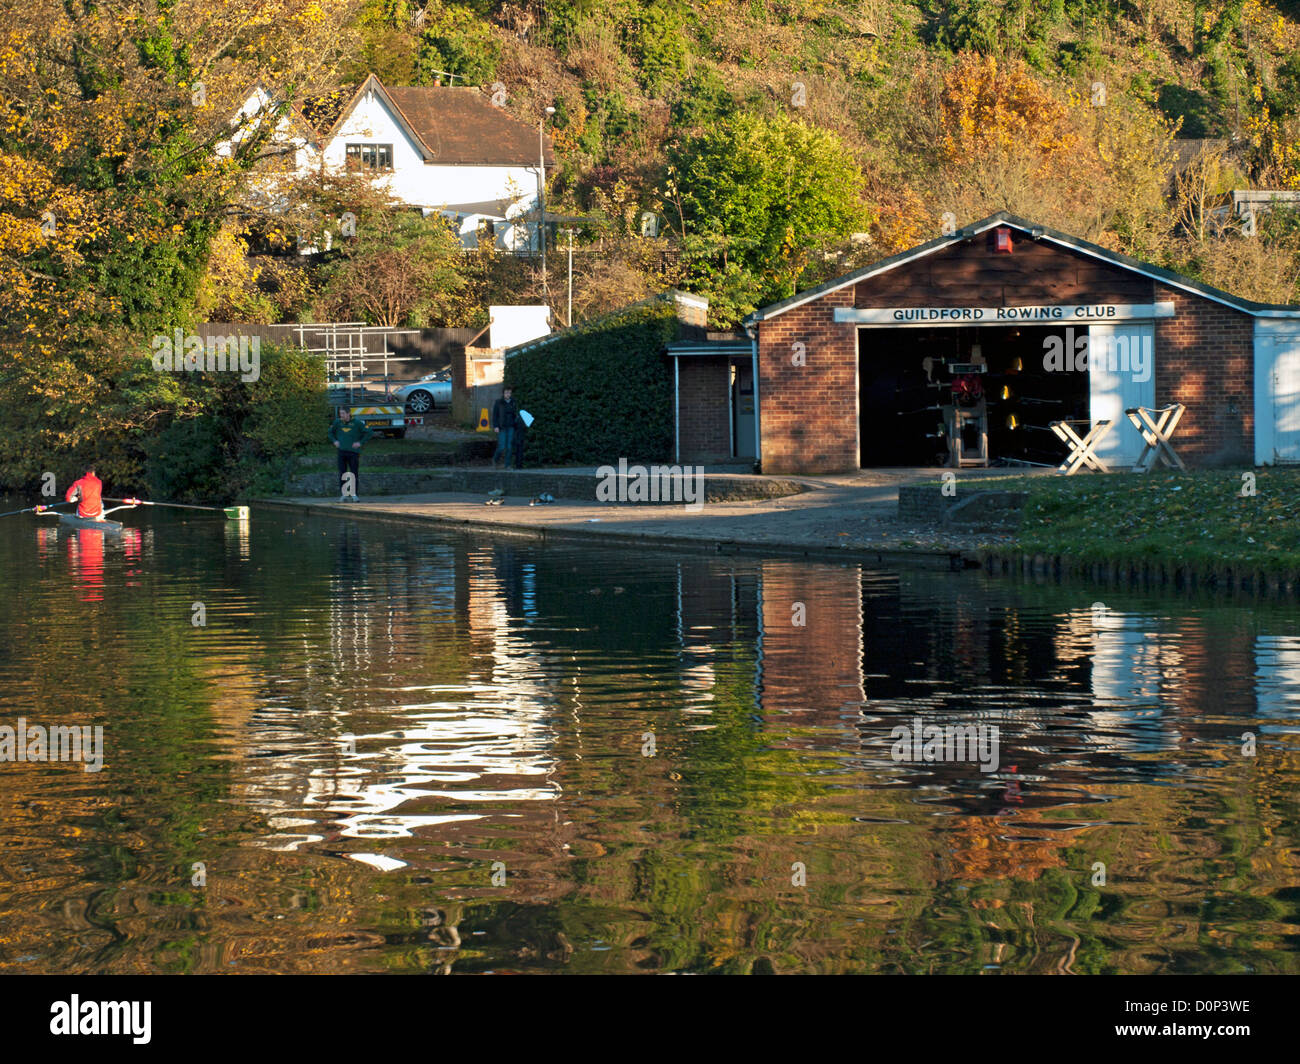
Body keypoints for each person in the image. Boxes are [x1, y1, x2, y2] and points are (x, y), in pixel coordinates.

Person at [329, 407, 374, 501]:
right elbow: (330, 433)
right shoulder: (338, 422)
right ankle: (344, 494)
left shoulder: (357, 423)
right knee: (342, 473)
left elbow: (369, 432)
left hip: (353, 452)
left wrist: (360, 443)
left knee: (353, 473)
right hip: (341, 451)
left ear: (348, 413)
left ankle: (354, 494)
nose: (341, 416)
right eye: (340, 414)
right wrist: (334, 441)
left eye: (343, 414)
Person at [491, 387, 519, 469]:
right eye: (506, 393)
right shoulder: (498, 402)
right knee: (501, 446)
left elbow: (515, 414)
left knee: (509, 447)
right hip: (501, 427)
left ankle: (507, 465)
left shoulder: (513, 402)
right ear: (503, 393)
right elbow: (495, 415)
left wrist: (515, 423)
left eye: (509, 393)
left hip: (511, 426)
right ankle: (495, 460)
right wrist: (495, 426)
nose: (508, 394)